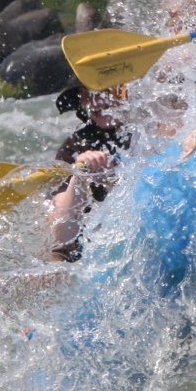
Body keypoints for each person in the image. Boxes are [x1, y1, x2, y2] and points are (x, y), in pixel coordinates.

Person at [43, 82, 130, 262]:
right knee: (57, 253)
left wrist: (114, 175)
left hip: (135, 227)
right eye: (87, 96)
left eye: (106, 92)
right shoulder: (75, 144)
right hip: (92, 240)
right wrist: (80, 174)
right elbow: (62, 232)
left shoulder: (148, 129)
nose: (96, 102)